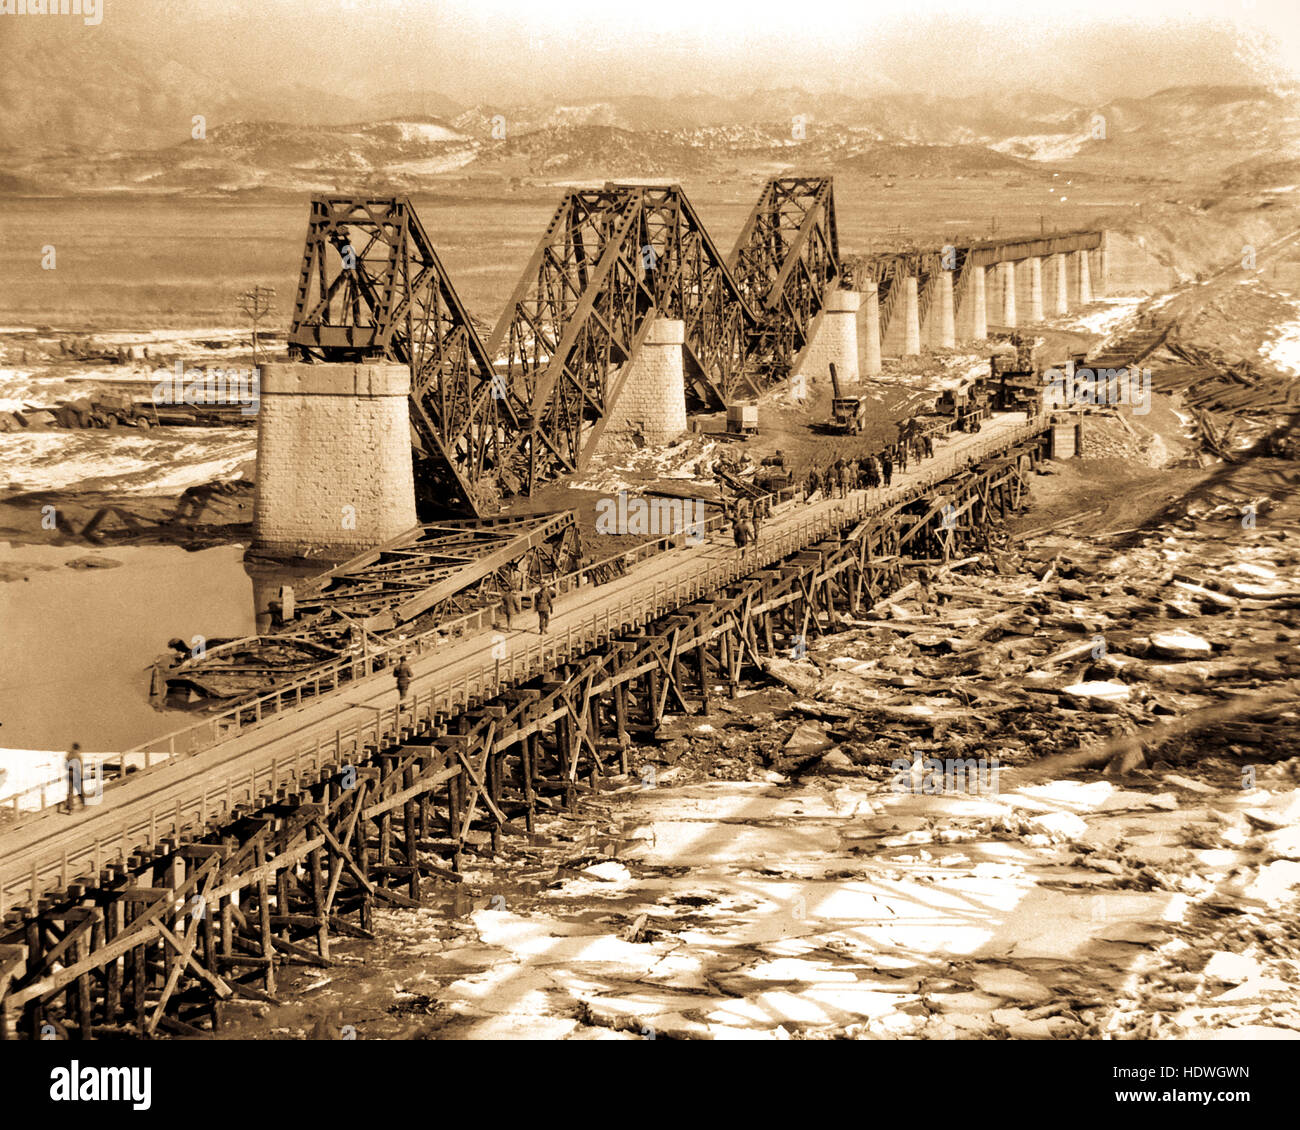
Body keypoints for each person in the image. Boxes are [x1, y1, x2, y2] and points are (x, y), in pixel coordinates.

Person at [63, 743, 85, 814]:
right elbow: (80, 766)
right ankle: (84, 804)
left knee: (70, 792)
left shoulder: (68, 755)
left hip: (70, 774)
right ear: (77, 748)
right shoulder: (78, 755)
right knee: (80, 790)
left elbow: (65, 765)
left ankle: (70, 809)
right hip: (77, 774)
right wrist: (81, 776)